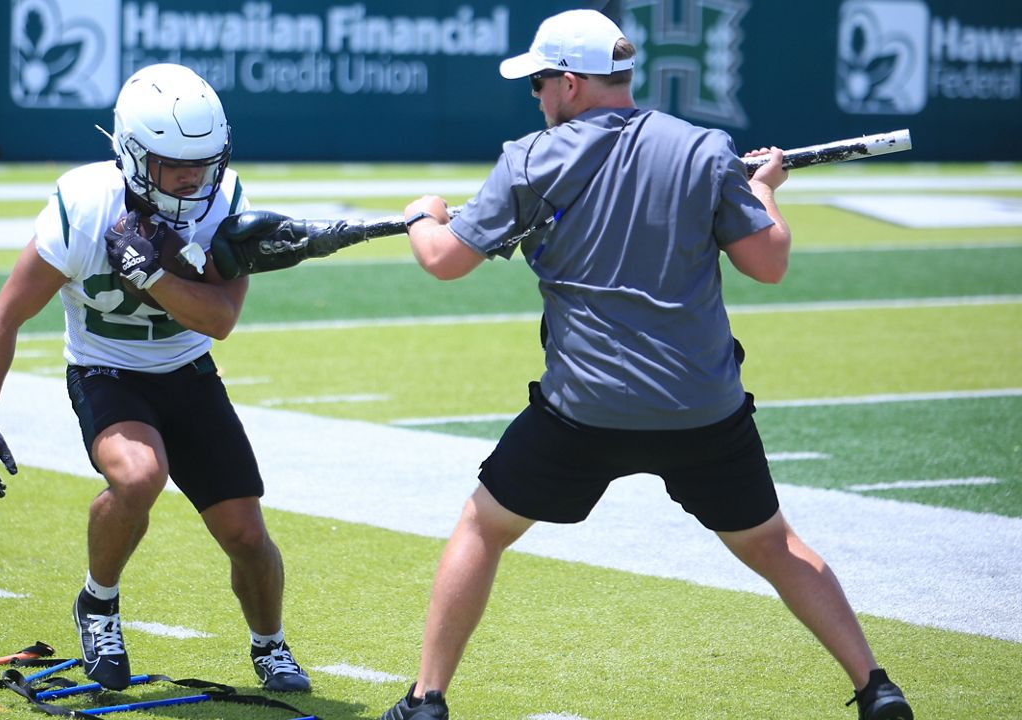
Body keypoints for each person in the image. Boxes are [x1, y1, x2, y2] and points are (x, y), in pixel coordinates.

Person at [383, 10, 912, 720]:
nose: (537, 96)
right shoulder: (704, 149)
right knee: (771, 543)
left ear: (569, 84)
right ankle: (875, 686)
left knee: (483, 528)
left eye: (539, 82)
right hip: (703, 408)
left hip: (583, 409)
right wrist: (762, 189)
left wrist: (423, 216)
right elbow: (770, 262)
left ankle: (427, 699)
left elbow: (445, 263)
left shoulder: (529, 157)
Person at [0, 63, 311, 694]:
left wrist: (152, 277)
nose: (191, 177)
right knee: (138, 475)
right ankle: (98, 605)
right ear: (128, 154)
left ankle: (270, 643)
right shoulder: (83, 207)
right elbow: (5, 316)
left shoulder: (226, 201)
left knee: (245, 533)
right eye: (173, 163)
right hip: (106, 371)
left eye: (204, 162)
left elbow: (220, 319)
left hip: (188, 369)